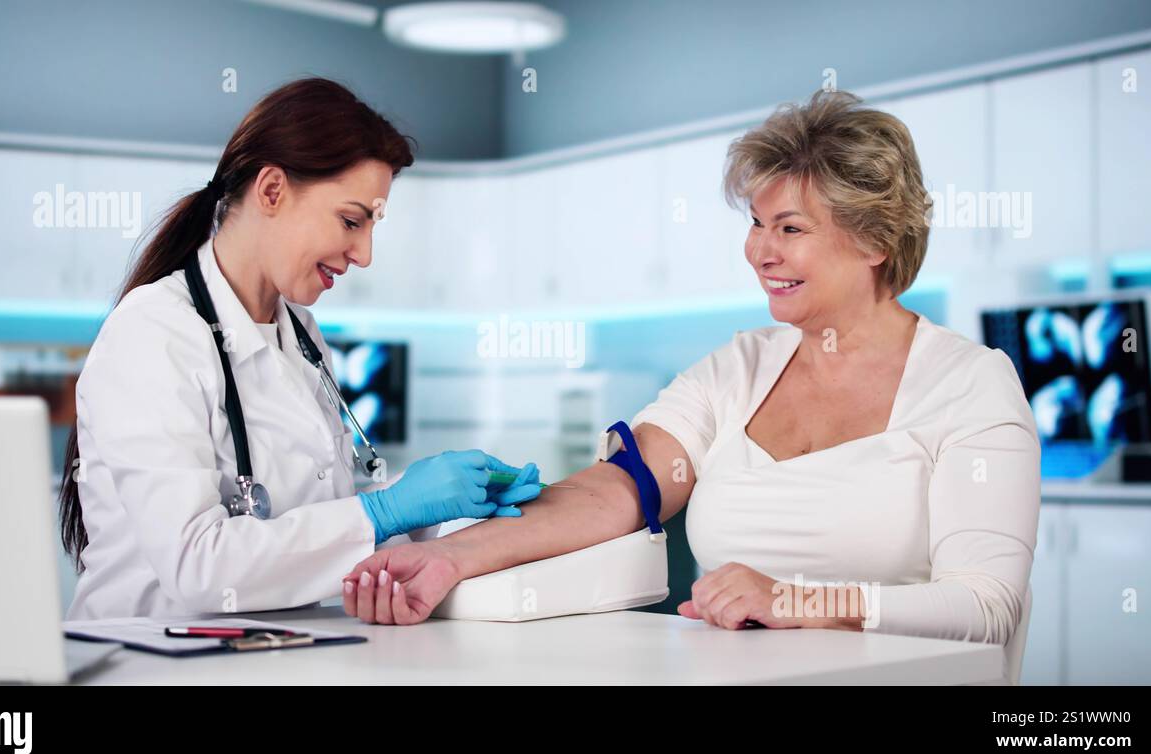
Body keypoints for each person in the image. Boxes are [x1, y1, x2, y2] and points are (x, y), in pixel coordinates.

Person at [342, 90, 1040, 645]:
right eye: (756, 223)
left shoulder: (969, 384)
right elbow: (619, 492)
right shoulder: (737, 368)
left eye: (789, 228)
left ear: (875, 240)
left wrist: (799, 601)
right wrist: (452, 556)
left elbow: (986, 606)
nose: (759, 251)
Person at [61, 78, 541, 620]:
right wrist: (384, 511)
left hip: (276, 654)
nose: (364, 254)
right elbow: (198, 567)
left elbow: (322, 525)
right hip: (145, 660)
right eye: (351, 221)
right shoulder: (153, 333)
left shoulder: (304, 337)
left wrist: (440, 514)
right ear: (271, 191)